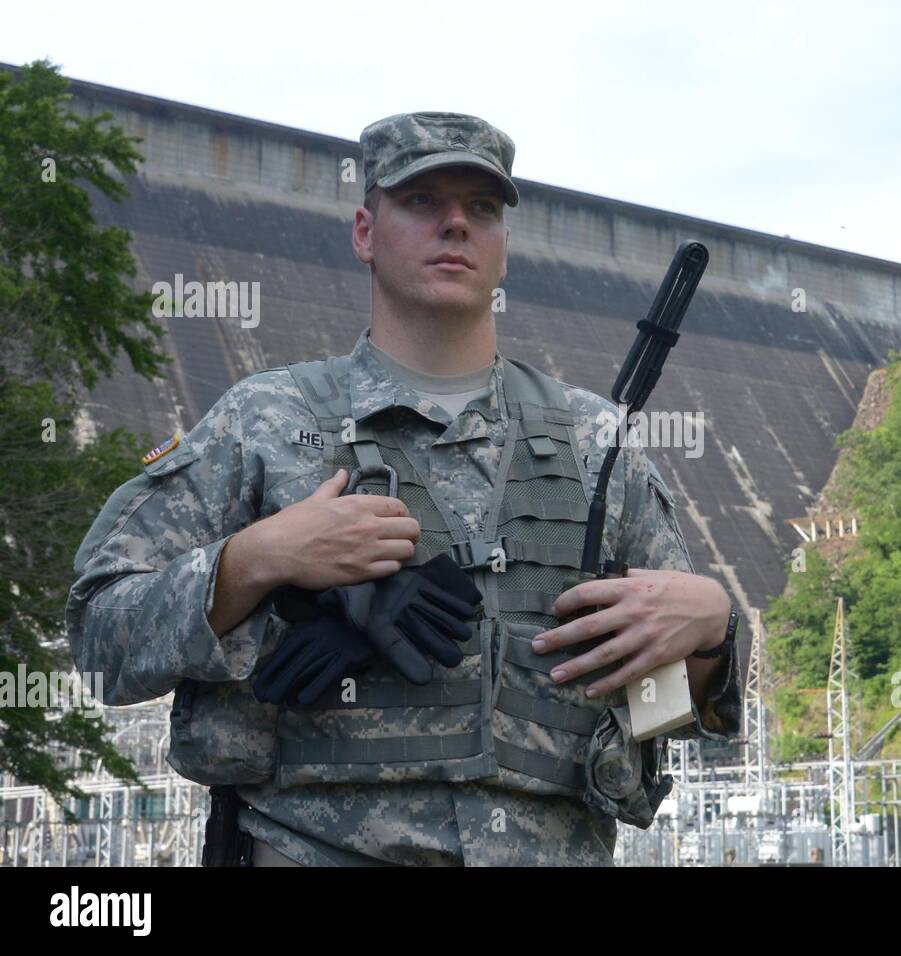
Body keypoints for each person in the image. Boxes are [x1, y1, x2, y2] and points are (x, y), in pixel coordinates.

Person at [65, 111, 742, 866]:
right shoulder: (266, 422)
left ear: (503, 247)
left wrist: (712, 633)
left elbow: (665, 711)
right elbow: (99, 637)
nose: (455, 223)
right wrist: (253, 562)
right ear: (364, 231)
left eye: (481, 208)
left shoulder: (597, 445)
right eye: (422, 202)